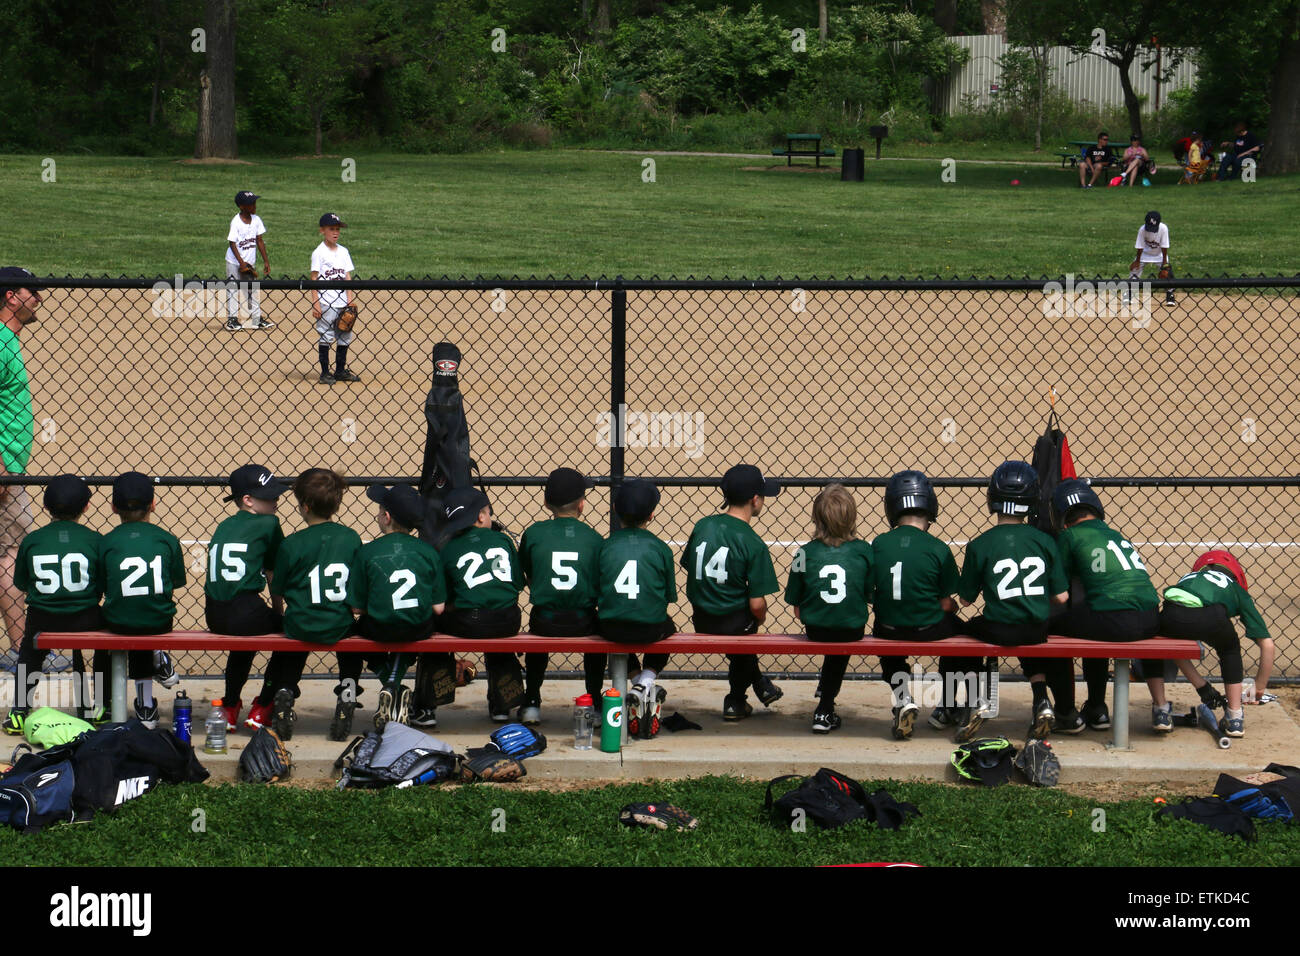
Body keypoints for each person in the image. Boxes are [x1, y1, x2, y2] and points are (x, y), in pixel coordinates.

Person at [957, 462, 1071, 741]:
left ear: (992, 500)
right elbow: (1062, 596)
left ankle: (976, 700)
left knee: (967, 632)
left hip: (998, 627)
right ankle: (1042, 700)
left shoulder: (980, 544)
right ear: (1032, 501)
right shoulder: (1044, 541)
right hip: (1036, 627)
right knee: (1030, 636)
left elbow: (966, 600)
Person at [1050, 478, 1163, 734]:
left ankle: (1065, 710)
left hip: (1117, 621)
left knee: (1052, 626)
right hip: (1151, 618)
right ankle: (1097, 709)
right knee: (1091, 616)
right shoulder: (1113, 533)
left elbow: (1060, 590)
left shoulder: (1069, 535)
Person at [871, 470, 978, 740]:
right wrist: (950, 607)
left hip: (889, 627)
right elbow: (945, 602)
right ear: (930, 506)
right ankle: (952, 705)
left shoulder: (879, 544)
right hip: (929, 627)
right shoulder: (938, 547)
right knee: (961, 635)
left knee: (884, 636)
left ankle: (903, 697)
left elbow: (874, 593)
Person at [266, 468, 362, 740]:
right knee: (350, 644)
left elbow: (279, 588)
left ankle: (285, 689)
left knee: (293, 643)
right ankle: (348, 687)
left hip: (301, 623)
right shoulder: (350, 537)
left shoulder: (291, 544)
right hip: (338, 622)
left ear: (305, 507)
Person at [3, 475, 103, 735]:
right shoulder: (94, 540)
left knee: (29, 650)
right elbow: (102, 583)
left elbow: (23, 583)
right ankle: (102, 705)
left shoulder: (32, 540)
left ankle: (19, 710)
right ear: (86, 507)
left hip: (44, 617)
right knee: (105, 644)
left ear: (46, 507)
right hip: (86, 617)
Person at [683, 464, 783, 721]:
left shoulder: (703, 525)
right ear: (755, 500)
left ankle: (756, 687)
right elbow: (757, 604)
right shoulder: (752, 542)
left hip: (701, 617)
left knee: (741, 631)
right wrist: (759, 620)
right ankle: (737, 698)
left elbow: (690, 566)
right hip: (735, 623)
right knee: (747, 629)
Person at [347, 484, 446, 731]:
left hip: (378, 627)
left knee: (357, 629)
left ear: (387, 517)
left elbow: (357, 608)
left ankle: (389, 681)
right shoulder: (428, 551)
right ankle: (394, 683)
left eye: (380, 511)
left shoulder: (367, 551)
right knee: (414, 627)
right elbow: (439, 609)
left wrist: (380, 607)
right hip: (417, 628)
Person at [98, 471, 187, 728]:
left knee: (131, 616)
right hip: (160, 621)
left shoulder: (107, 542)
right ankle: (155, 667)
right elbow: (177, 582)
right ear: (153, 504)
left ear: (114, 507)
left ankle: (146, 705)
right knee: (143, 617)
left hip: (117, 621)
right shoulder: (167, 539)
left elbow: (103, 586)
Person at [205, 464, 288, 733]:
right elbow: (274, 573)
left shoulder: (225, 524)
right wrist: (278, 611)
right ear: (248, 500)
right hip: (245, 612)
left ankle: (230, 705)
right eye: (269, 497)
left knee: (245, 640)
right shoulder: (269, 523)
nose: (276, 501)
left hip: (214, 614)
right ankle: (264, 703)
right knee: (292, 633)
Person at [783, 483, 872, 735]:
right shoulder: (864, 551)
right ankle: (825, 705)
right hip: (852, 628)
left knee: (833, 624)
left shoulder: (804, 553)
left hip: (814, 628)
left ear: (816, 518)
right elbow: (868, 595)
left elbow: (796, 607)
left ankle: (825, 699)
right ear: (852, 516)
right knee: (842, 626)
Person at [517, 467, 603, 725]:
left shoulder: (533, 533)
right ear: (582, 505)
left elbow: (529, 575)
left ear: (545, 502)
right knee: (597, 637)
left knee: (536, 632)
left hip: (546, 620)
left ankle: (532, 700)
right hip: (583, 621)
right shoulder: (594, 538)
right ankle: (594, 701)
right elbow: (598, 581)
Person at [436, 486, 525, 723]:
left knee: (435, 624)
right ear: (481, 516)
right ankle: (502, 705)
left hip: (468, 622)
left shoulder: (448, 548)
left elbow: (443, 597)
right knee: (496, 630)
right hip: (508, 621)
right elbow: (517, 584)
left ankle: (428, 704)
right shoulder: (502, 540)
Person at [597, 479, 675, 738]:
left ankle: (637, 682)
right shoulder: (661, 548)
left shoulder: (605, 546)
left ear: (616, 511)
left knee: (611, 624)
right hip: (650, 629)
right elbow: (668, 597)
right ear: (651, 514)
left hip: (611, 628)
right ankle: (645, 682)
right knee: (669, 624)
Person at [1162, 550, 1270, 738]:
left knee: (1171, 642)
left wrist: (1202, 686)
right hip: (1212, 617)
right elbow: (1267, 645)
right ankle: (1234, 717)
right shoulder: (1235, 588)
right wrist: (1259, 687)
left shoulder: (1189, 577)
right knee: (1229, 649)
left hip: (1171, 614)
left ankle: (1194, 690)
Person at [0, 267, 42, 676]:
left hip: (10, 466)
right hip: (5, 470)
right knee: (12, 553)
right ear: (11, 296)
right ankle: (19, 651)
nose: (40, 298)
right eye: (34, 292)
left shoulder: (7, 339)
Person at [310, 213, 360, 386]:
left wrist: (349, 299)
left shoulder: (344, 251)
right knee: (326, 335)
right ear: (322, 231)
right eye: (331, 229)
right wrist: (315, 303)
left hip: (342, 301)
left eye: (337, 229)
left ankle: (339, 370)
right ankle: (325, 373)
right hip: (326, 301)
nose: (335, 232)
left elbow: (347, 277)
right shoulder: (319, 253)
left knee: (345, 335)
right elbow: (314, 279)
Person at [224, 190, 272, 331]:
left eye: (254, 202)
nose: (254, 205)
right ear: (242, 206)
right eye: (251, 203)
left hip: (249, 263)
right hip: (234, 261)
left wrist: (266, 261)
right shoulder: (236, 222)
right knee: (233, 289)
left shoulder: (256, 220)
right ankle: (232, 320)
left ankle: (256, 319)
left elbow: (260, 241)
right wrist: (241, 263)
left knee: (251, 290)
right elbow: (232, 243)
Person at [1130, 210, 1175, 306]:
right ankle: (1130, 293)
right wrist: (1137, 261)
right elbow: (1140, 246)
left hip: (1159, 255)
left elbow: (1164, 246)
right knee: (1134, 271)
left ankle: (1170, 294)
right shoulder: (1142, 229)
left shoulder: (1163, 229)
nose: (1150, 230)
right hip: (1144, 254)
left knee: (1167, 273)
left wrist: (1164, 263)